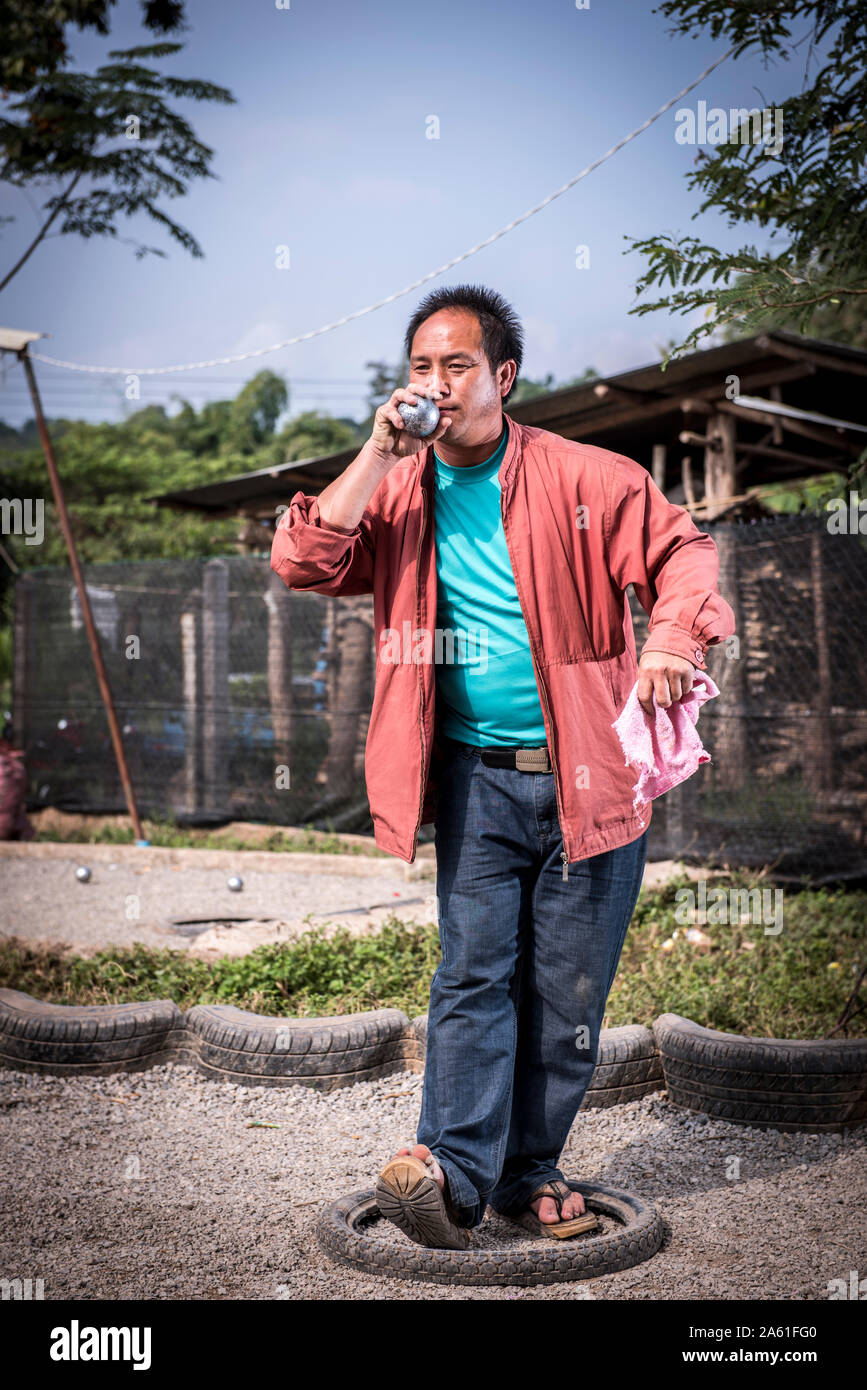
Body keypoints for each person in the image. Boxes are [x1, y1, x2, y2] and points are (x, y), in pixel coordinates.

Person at [271, 284, 735, 1248]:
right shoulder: (397, 489)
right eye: (420, 369)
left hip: (591, 779)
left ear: (503, 377)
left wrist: (670, 639)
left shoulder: (587, 479)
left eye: (457, 367)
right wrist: (378, 451)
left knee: (565, 995)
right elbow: (305, 560)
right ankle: (447, 1170)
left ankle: (528, 1169)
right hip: (476, 779)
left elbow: (685, 553)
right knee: (473, 975)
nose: (435, 385)